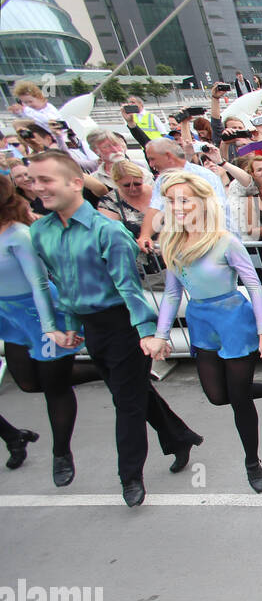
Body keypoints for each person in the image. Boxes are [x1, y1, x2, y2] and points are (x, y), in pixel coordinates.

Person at [26, 150, 202, 506]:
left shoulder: (108, 231)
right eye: (33, 180)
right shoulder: (41, 231)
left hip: (122, 324)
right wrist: (63, 325)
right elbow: (53, 283)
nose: (37, 188)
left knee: (127, 403)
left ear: (76, 183)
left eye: (46, 180)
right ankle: (180, 437)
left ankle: (130, 476)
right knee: (135, 392)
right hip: (90, 327)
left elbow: (128, 288)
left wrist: (148, 333)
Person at [142, 172, 262, 493]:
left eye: (184, 200)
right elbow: (173, 294)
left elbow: (254, 286)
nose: (177, 207)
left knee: (240, 399)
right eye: (171, 201)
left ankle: (252, 462)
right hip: (202, 322)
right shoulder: (171, 243)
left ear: (202, 202)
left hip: (234, 319)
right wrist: (161, 335)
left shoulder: (225, 241)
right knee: (218, 396)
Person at [0, 173, 100, 485]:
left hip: (39, 311)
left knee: (55, 387)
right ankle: (108, 368)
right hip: (9, 315)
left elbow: (40, 282)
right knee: (29, 383)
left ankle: (61, 453)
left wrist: (48, 327)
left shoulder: (18, 235)